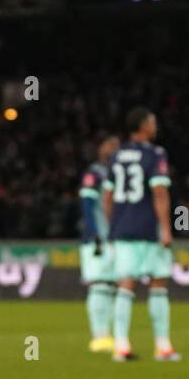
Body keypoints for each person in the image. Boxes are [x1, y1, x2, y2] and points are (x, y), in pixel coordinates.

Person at [104, 109, 179, 362]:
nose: (155, 126)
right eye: (153, 122)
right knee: (158, 283)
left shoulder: (115, 156)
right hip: (148, 229)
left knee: (125, 285)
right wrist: (166, 228)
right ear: (144, 126)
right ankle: (163, 346)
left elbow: (107, 196)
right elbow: (159, 192)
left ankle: (121, 345)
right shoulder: (155, 155)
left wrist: (112, 225)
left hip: (123, 230)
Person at [80, 136, 120, 352]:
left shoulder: (118, 175)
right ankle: (99, 336)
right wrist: (94, 234)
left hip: (115, 238)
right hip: (96, 239)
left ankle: (110, 334)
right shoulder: (94, 173)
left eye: (117, 146)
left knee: (113, 285)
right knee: (98, 284)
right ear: (101, 148)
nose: (113, 149)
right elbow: (87, 205)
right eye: (109, 144)